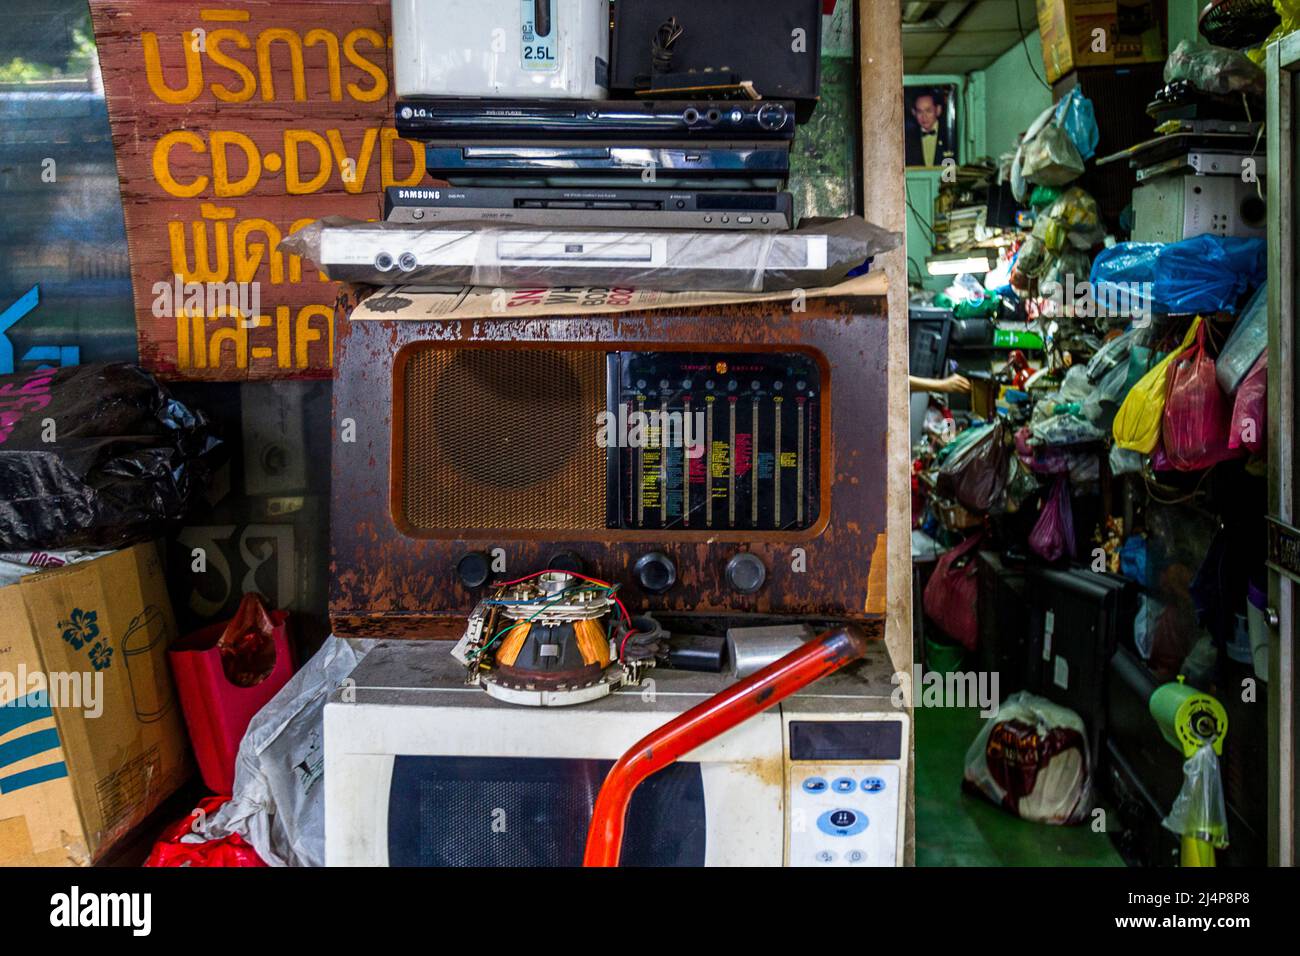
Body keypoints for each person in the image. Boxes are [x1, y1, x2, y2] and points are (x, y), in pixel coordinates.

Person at [905, 90, 953, 168]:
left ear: (938, 110)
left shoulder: (949, 135)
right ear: (914, 112)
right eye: (920, 112)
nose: (924, 117)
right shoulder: (907, 138)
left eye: (928, 111)